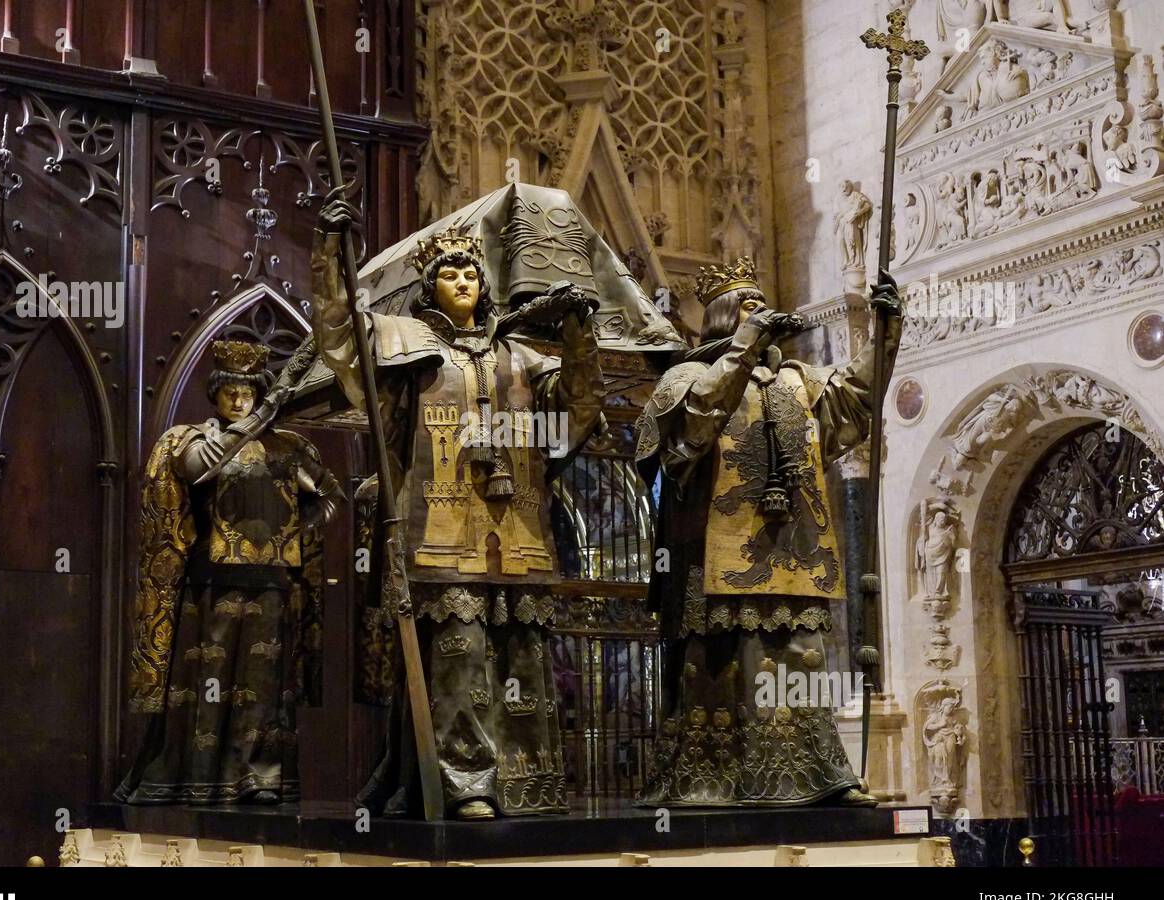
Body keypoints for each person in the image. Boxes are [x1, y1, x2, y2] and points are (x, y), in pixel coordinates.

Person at [312, 188, 605, 819]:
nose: (464, 280)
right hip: (440, 535)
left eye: (473, 271)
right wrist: (333, 256)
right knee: (459, 659)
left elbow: (575, 412)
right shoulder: (405, 344)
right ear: (428, 285)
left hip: (517, 530)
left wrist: (580, 335)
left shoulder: (522, 357)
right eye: (449, 271)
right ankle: (464, 783)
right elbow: (343, 340)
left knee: (521, 662)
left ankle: (525, 782)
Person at [633, 257, 903, 807]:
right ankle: (712, 783)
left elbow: (856, 401)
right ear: (724, 317)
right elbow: (693, 428)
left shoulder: (797, 383)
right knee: (723, 669)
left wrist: (885, 333)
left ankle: (814, 775)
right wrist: (745, 348)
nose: (760, 311)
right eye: (747, 306)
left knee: (799, 661)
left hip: (791, 553)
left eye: (762, 302)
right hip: (712, 560)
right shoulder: (684, 377)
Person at [118, 338, 342, 804]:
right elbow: (202, 468)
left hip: (272, 581)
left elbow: (329, 495)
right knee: (207, 685)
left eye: (249, 391)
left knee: (262, 688)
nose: (240, 400)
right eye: (230, 391)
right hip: (210, 582)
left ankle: (259, 776)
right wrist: (265, 413)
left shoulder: (288, 447)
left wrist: (300, 529)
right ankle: (192, 777)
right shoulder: (190, 439)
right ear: (215, 394)